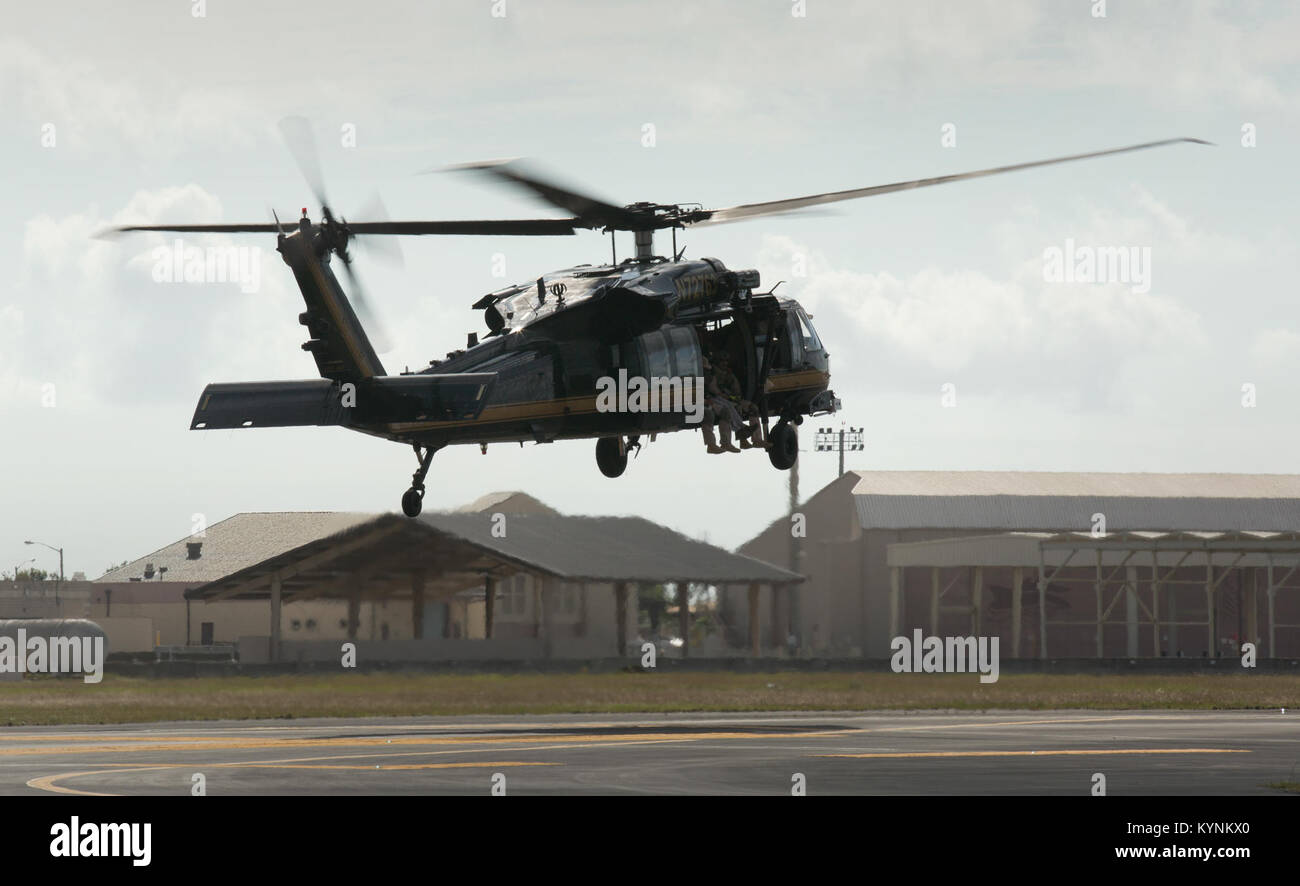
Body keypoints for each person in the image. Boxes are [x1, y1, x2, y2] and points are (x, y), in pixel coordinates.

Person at [711, 350, 767, 449]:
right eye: (722, 361)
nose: (724, 363)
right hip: (719, 400)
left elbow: (736, 391)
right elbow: (714, 390)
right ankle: (742, 440)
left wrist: (736, 399)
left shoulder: (728, 374)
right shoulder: (712, 373)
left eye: (726, 361)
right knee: (734, 410)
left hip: (732, 400)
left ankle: (757, 439)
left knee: (753, 408)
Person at [700, 356, 740, 454]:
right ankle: (711, 445)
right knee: (708, 415)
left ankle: (726, 443)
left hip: (707, 401)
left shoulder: (708, 378)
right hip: (697, 403)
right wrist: (705, 401)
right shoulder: (692, 377)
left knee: (725, 411)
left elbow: (711, 390)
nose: (706, 373)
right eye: (704, 370)